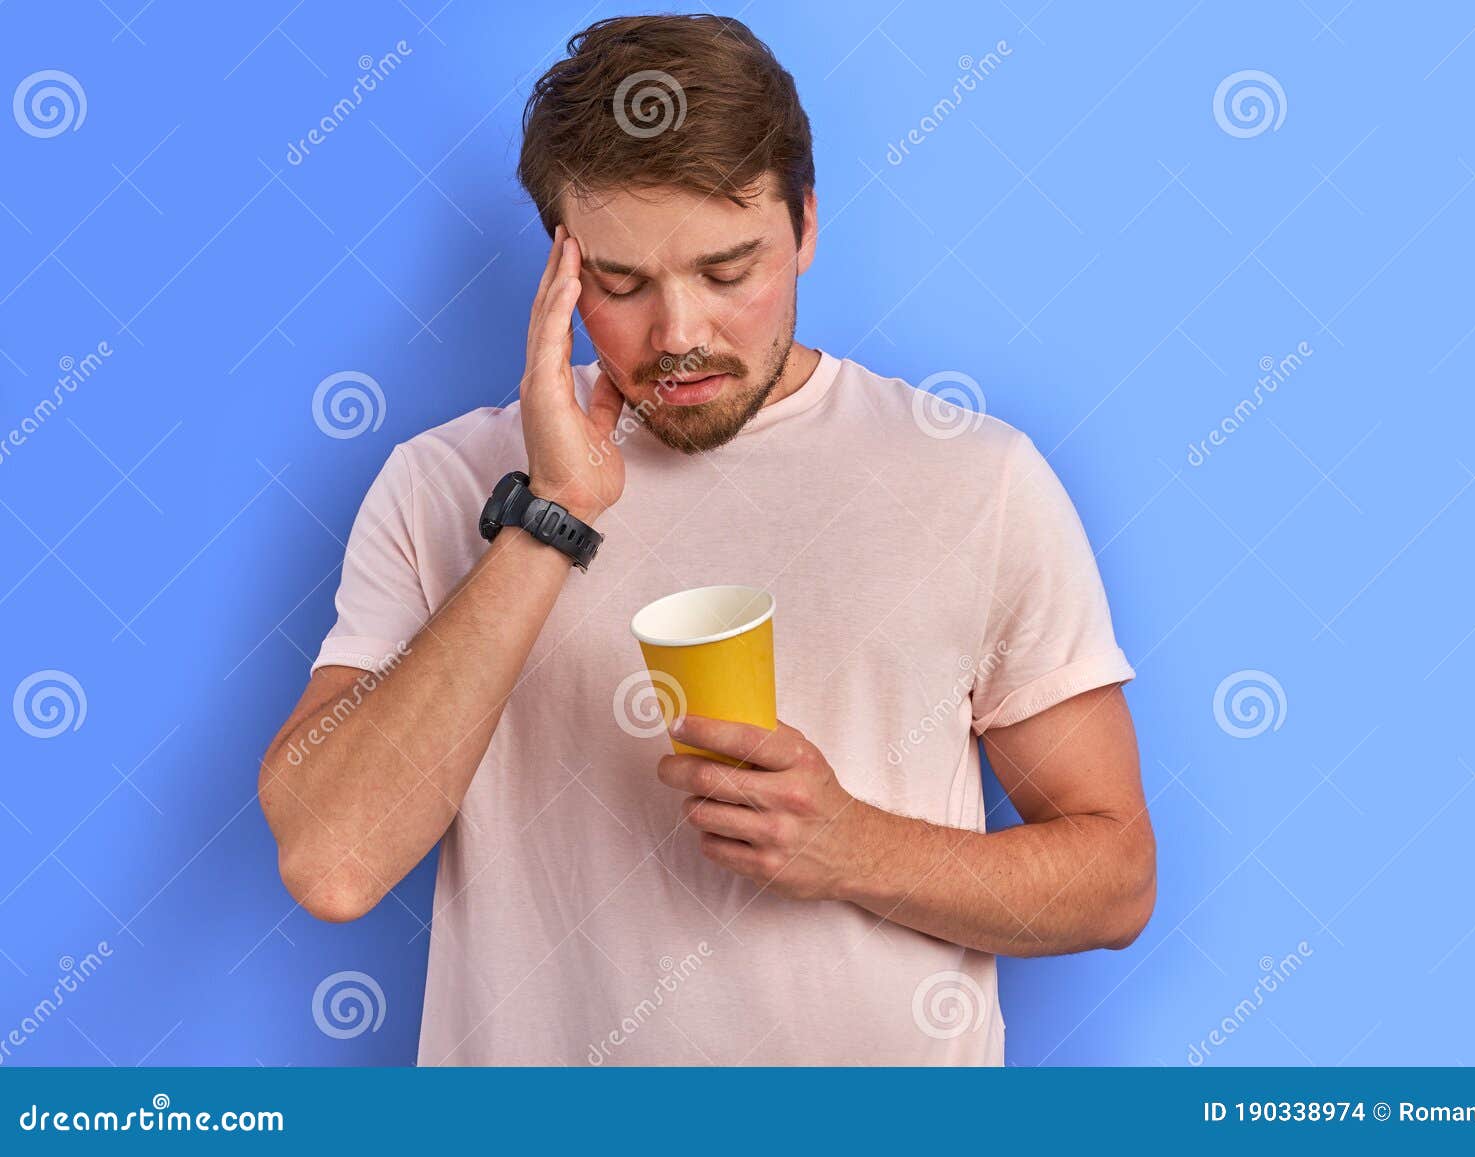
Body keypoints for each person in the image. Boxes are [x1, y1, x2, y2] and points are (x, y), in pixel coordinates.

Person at [258, 13, 1154, 1066]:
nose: (678, 333)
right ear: (559, 267)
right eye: (622, 284)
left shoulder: (975, 475)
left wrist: (853, 847)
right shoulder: (441, 482)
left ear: (806, 225)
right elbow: (334, 859)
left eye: (728, 272)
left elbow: (1114, 879)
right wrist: (552, 516)